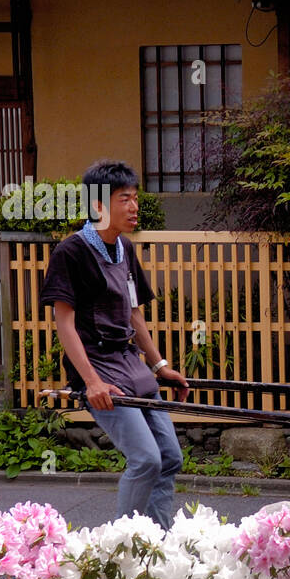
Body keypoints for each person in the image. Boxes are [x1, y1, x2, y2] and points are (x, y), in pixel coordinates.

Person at [40, 160, 189, 529]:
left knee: (169, 456)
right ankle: (124, 547)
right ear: (98, 206)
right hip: (97, 367)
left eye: (135, 199)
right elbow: (65, 323)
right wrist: (90, 381)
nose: (134, 207)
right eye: (125, 199)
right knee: (146, 459)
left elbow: (134, 314)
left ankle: (158, 540)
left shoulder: (124, 248)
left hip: (130, 364)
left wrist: (160, 367)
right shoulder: (71, 253)